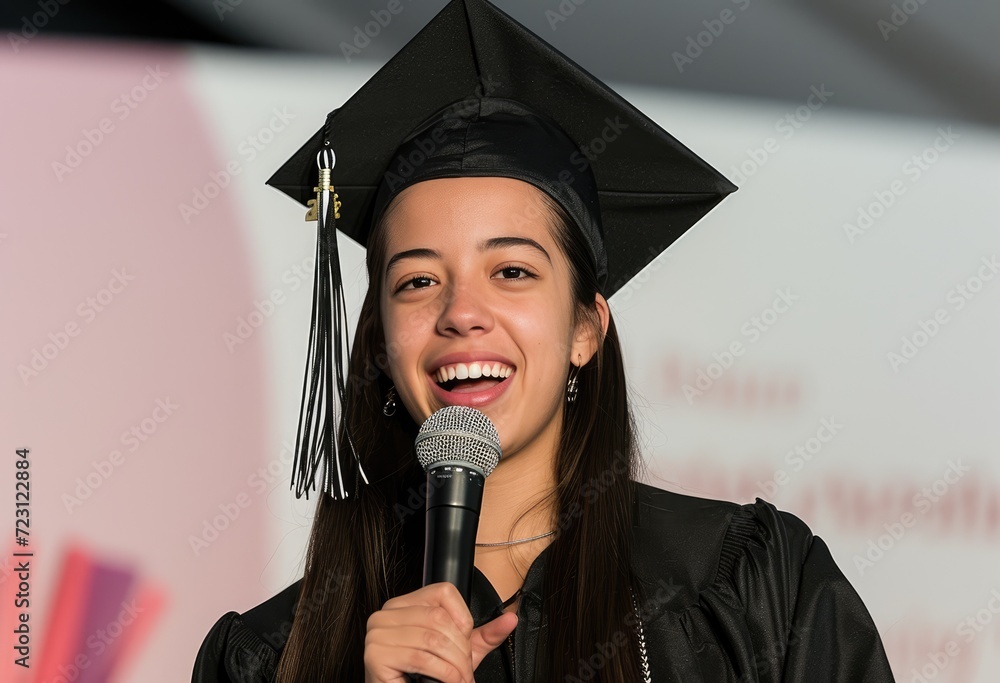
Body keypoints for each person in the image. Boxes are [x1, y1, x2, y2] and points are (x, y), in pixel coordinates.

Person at [193, 0, 896, 681]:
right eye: (416, 281)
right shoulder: (272, 657)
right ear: (379, 344)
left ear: (586, 329)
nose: (462, 313)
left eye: (512, 270)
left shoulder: (752, 591)